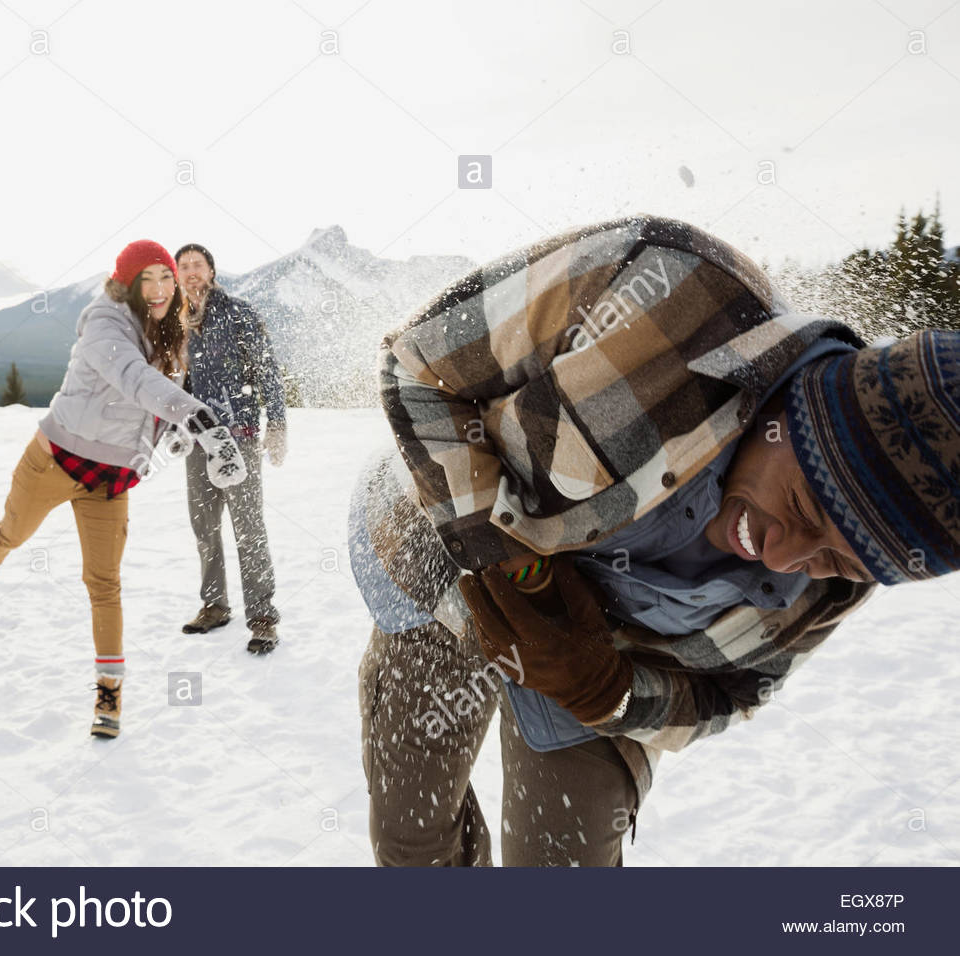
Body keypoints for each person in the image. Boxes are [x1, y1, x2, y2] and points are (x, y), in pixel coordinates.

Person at [352, 215, 959, 866]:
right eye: (805, 507)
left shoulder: (841, 575)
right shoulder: (662, 282)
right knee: (411, 842)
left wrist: (606, 689)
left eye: (838, 559)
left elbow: (736, 691)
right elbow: (418, 367)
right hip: (446, 573)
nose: (788, 559)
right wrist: (498, 556)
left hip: (598, 669)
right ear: (803, 408)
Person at [0, 240, 246, 737]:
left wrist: (181, 435)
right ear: (126, 283)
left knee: (104, 584)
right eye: (146, 279)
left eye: (165, 277)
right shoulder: (104, 322)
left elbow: (154, 412)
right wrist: (198, 418)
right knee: (11, 533)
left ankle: (108, 697)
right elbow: (134, 380)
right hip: (55, 461)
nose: (157, 289)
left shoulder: (171, 330)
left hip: (108, 481)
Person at [174, 243, 287, 654]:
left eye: (196, 265)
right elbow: (172, 382)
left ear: (210, 270)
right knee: (204, 526)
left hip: (238, 436)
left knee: (248, 528)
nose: (190, 272)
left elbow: (266, 369)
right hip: (196, 440)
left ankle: (262, 616)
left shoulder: (238, 312)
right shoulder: (177, 320)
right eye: (183, 266)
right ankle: (215, 605)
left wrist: (276, 422)